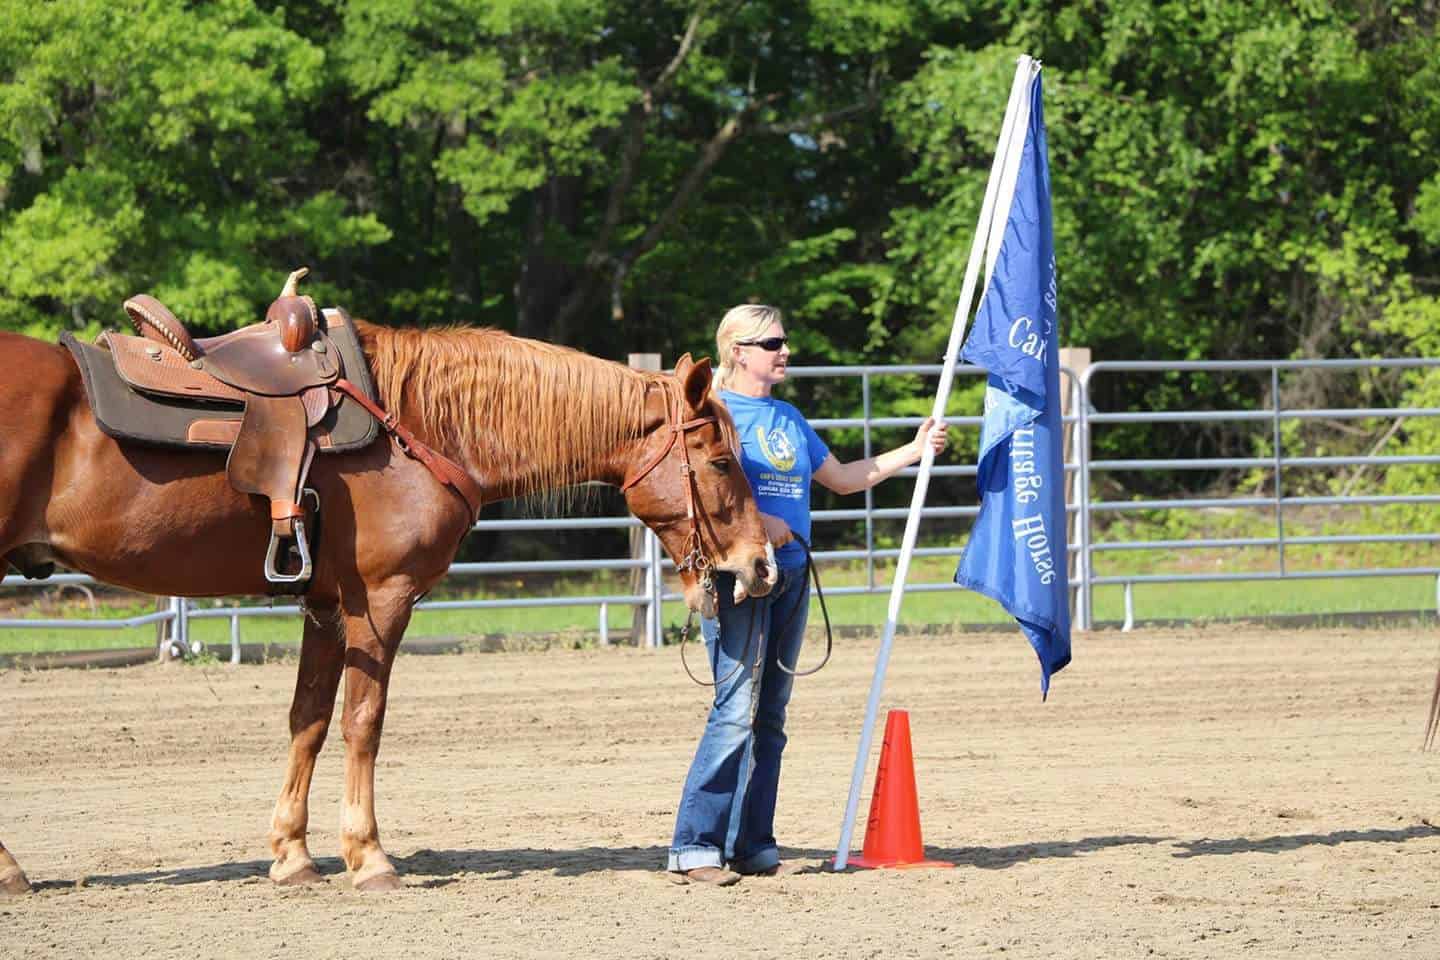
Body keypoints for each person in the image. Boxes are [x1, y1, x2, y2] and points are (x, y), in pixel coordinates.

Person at [667, 303, 950, 885]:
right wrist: (759, 523)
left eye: (784, 341)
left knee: (769, 716)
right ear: (739, 350)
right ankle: (694, 845)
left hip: (793, 572)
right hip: (741, 575)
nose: (785, 350)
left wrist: (914, 449)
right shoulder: (713, 416)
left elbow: (844, 479)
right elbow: (702, 493)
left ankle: (753, 843)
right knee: (734, 712)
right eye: (773, 342)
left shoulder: (789, 417)